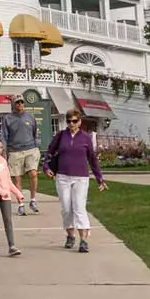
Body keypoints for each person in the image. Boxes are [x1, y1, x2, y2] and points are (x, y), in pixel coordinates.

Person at [44, 108, 106, 252]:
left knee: (79, 208)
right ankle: (70, 235)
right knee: (66, 209)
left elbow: (92, 158)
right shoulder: (60, 136)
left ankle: (83, 241)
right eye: (69, 121)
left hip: (81, 177)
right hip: (62, 177)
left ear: (80, 122)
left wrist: (99, 178)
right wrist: (46, 167)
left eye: (74, 121)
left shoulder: (85, 138)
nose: (71, 124)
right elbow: (49, 152)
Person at [0, 97, 41, 216]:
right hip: (14, 151)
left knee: (33, 173)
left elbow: (34, 132)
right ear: (13, 104)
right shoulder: (7, 119)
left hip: (30, 149)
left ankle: (33, 200)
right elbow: (4, 136)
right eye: (17, 102)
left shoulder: (30, 117)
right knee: (17, 179)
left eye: (22, 102)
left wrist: (36, 146)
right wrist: (4, 151)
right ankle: (21, 204)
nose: (20, 104)